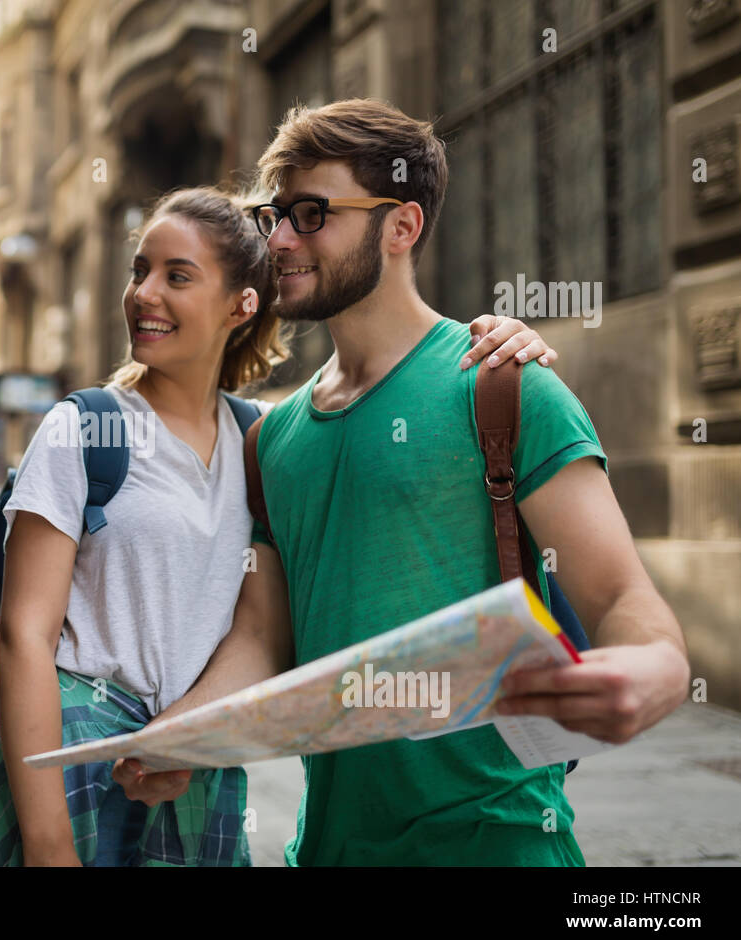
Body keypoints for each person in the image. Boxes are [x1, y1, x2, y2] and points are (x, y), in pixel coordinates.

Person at [116, 99, 690, 867]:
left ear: (401, 227)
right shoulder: (272, 441)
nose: (280, 240)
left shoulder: (503, 387)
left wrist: (651, 672)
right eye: (274, 215)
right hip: (326, 850)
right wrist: (183, 734)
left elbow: (624, 601)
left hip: (500, 846)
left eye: (312, 213)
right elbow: (263, 635)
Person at [0, 186, 558, 867]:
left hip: (195, 769)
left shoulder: (264, 443)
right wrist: (48, 844)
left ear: (242, 306)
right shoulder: (84, 428)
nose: (145, 293)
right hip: (65, 765)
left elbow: (263, 630)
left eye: (177, 276)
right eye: (139, 271)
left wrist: (504, 337)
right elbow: (22, 636)